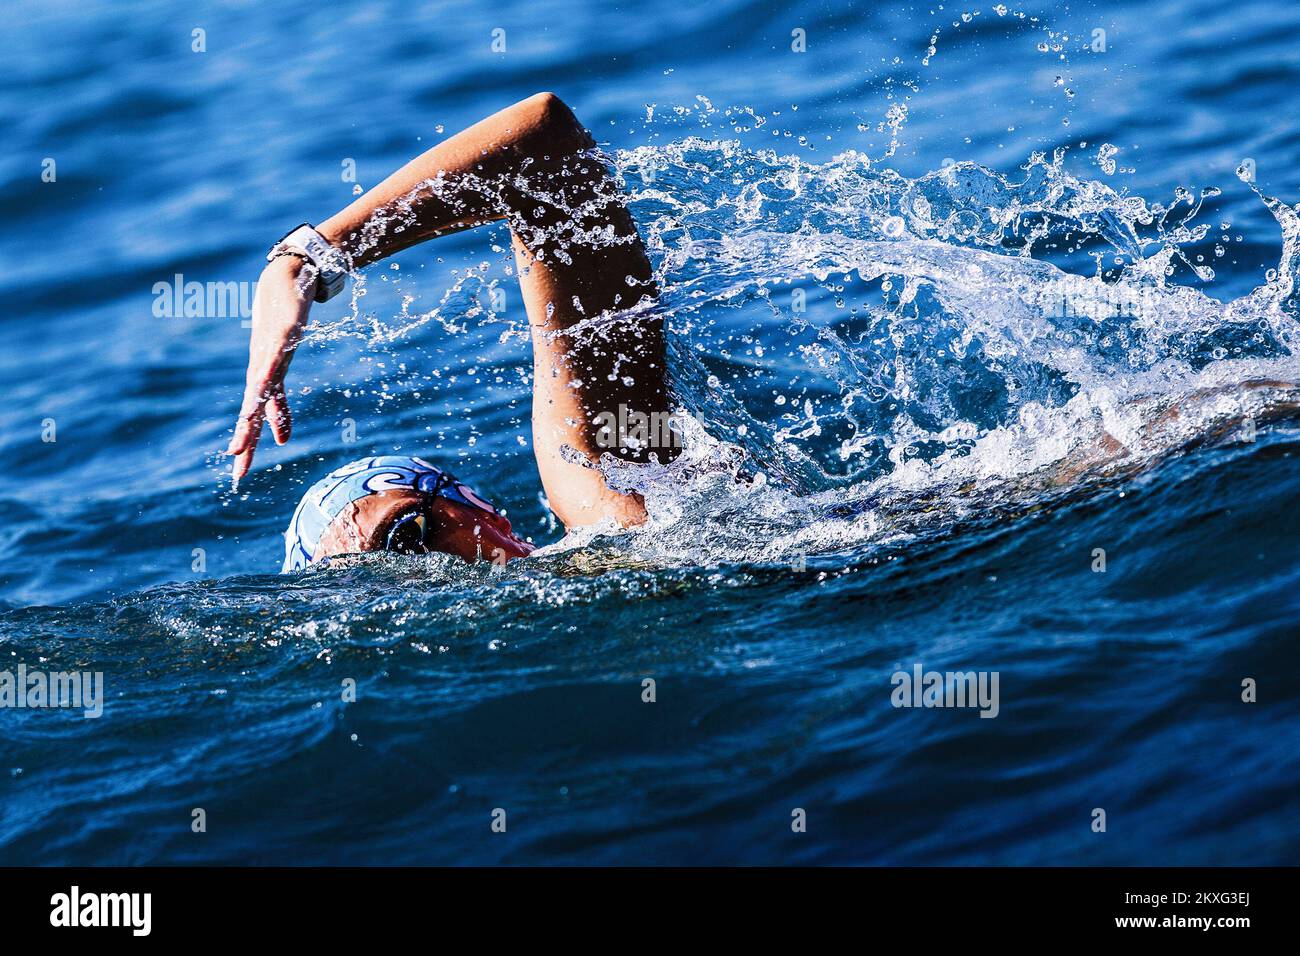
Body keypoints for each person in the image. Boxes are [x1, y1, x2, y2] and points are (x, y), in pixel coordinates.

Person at [226, 93, 676, 569]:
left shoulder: (615, 504)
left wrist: (313, 257)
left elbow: (546, 150)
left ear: (481, 511)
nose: (406, 576)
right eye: (358, 581)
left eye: (406, 538)